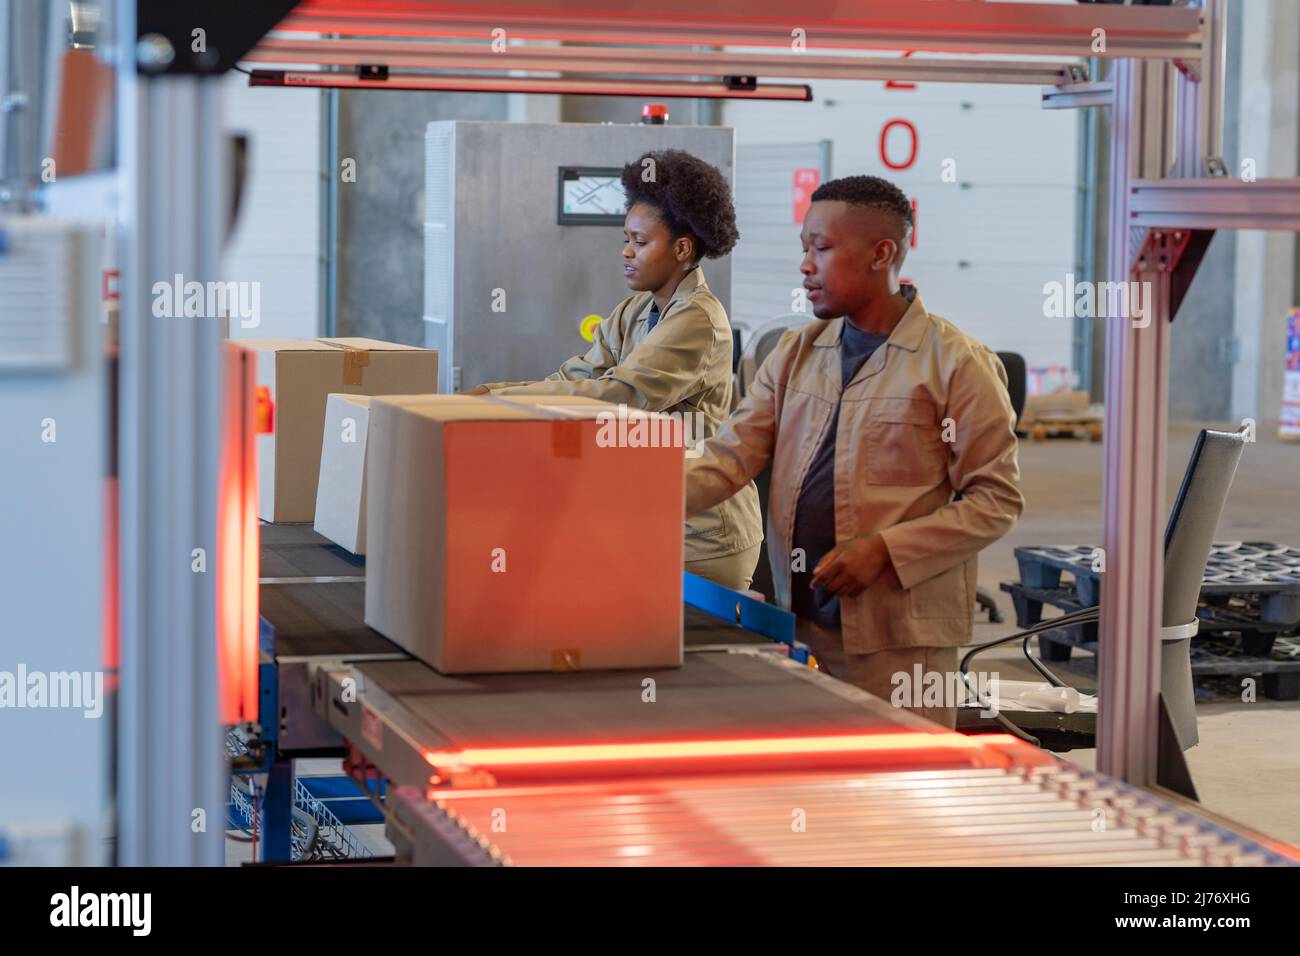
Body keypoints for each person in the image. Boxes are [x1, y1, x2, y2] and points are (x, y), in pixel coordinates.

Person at [684, 175, 1023, 726]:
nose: (805, 265)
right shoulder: (796, 354)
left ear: (881, 254)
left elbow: (996, 500)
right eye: (804, 249)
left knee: (902, 791)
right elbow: (730, 457)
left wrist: (884, 550)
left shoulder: (955, 364)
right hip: (802, 626)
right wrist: (635, 503)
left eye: (821, 248)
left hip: (900, 642)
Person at [472, 149, 763, 591]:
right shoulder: (635, 311)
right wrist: (492, 395)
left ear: (682, 249)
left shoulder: (697, 319)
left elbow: (621, 396)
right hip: (652, 513)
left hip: (703, 532)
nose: (626, 252)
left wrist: (504, 401)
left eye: (641, 242)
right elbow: (575, 379)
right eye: (625, 239)